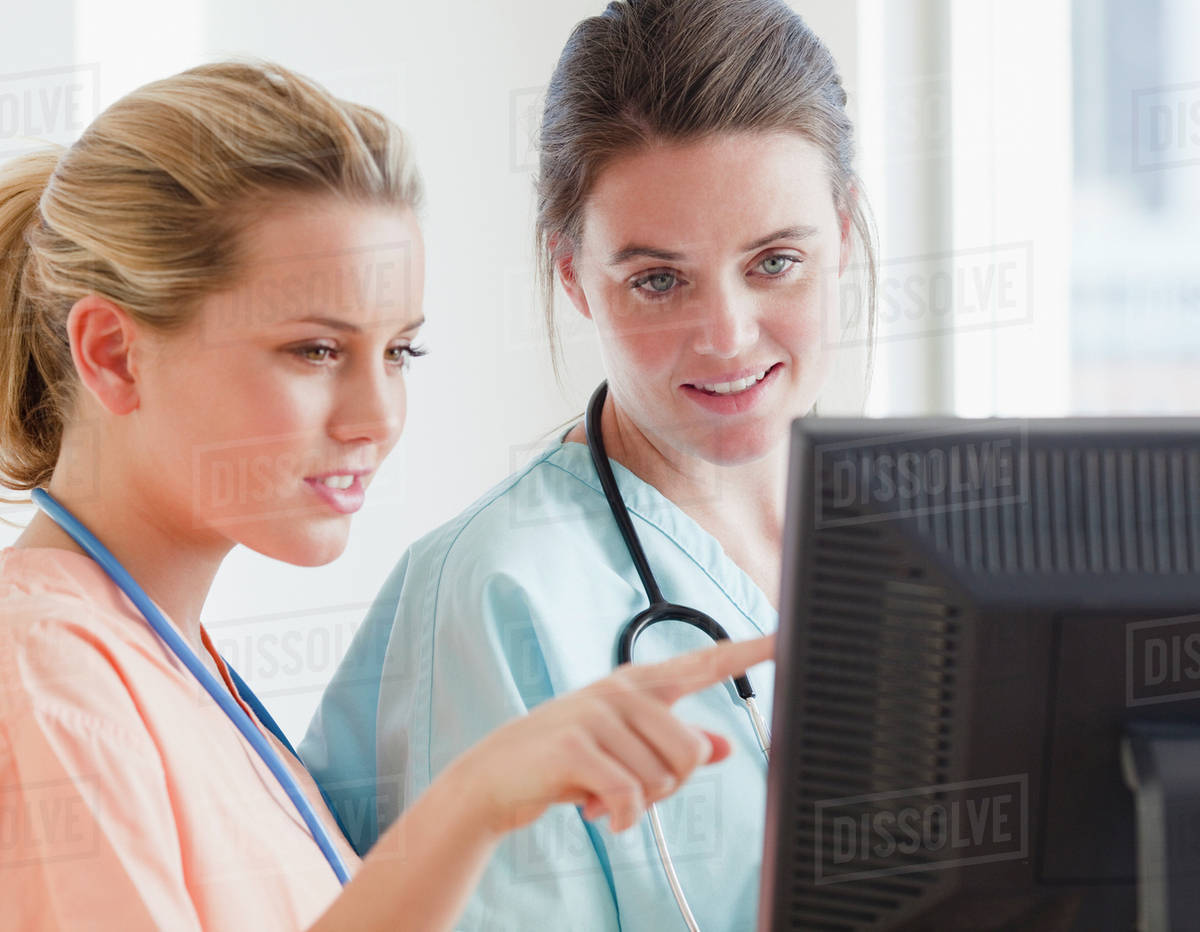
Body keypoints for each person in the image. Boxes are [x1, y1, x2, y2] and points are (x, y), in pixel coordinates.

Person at [0, 60, 774, 931]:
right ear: (111, 353)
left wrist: (485, 803)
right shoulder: (42, 678)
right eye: (316, 352)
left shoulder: (168, 660)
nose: (378, 419)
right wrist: (468, 803)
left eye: (399, 352)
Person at [301, 0, 877, 929]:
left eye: (774, 262)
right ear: (571, 273)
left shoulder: (926, 534)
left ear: (841, 233)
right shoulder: (499, 593)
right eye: (658, 279)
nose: (727, 336)